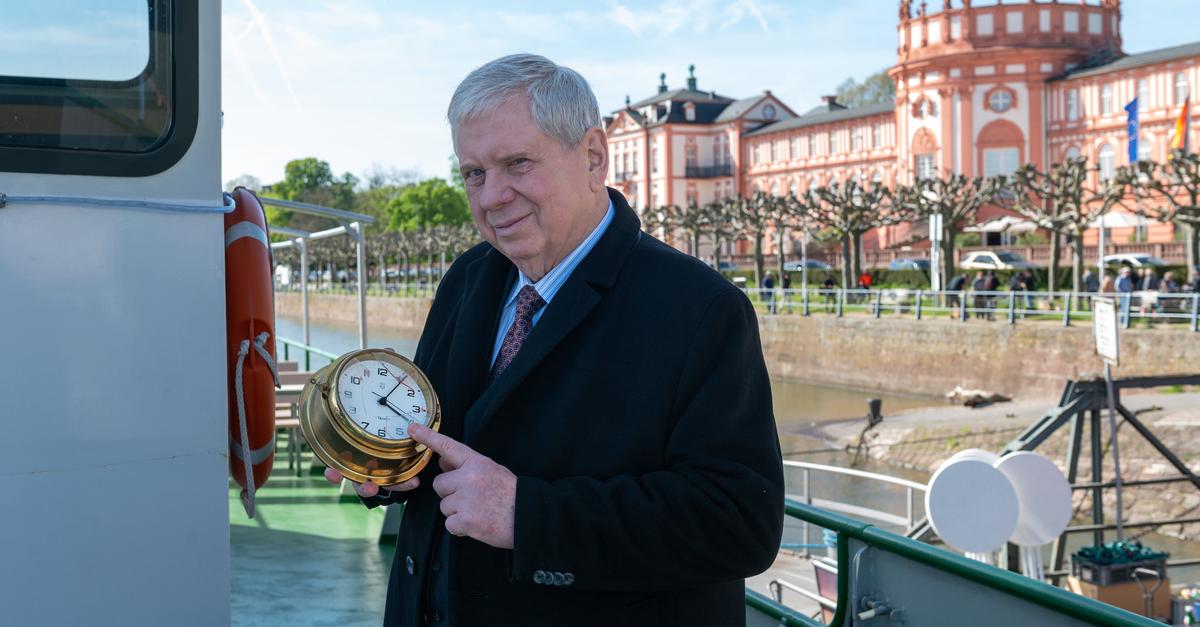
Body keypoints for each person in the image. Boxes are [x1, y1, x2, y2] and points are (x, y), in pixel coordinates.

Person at [325, 54, 783, 626]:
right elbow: (440, 437)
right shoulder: (468, 276)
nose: (491, 196)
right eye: (474, 173)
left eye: (517, 163)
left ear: (593, 156)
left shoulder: (701, 307)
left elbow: (740, 523)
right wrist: (389, 465)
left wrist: (528, 518)